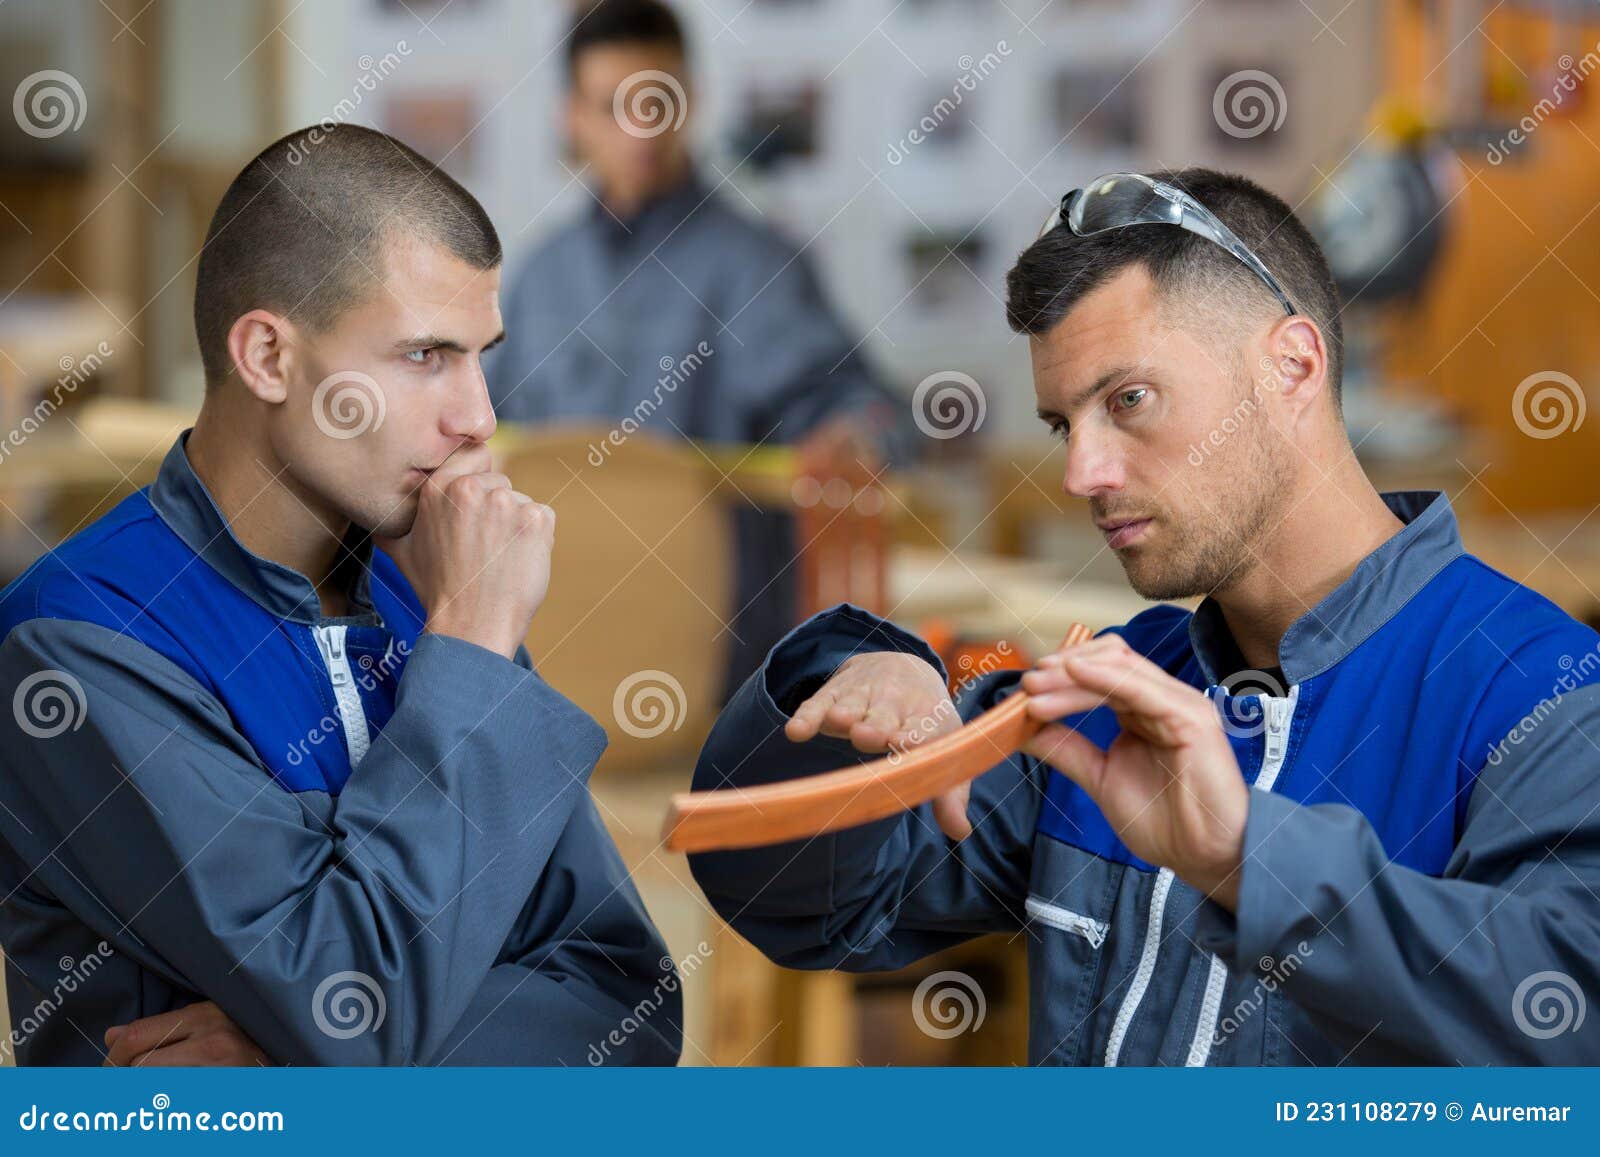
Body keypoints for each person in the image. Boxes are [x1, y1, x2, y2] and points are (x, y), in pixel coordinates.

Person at [686, 168, 1600, 1065]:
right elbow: (791, 898)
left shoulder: (1548, 699)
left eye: (1128, 400)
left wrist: (1251, 862)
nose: (1081, 474)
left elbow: (1569, 1021)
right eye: (1064, 424)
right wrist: (847, 687)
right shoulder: (1106, 707)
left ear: (1293, 365)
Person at [0, 124, 679, 1067]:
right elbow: (351, 1003)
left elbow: (624, 998)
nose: (479, 417)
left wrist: (291, 1064)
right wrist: (472, 647)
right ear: (268, 358)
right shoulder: (75, 643)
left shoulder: (438, 593)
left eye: (480, 355)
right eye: (425, 355)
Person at [486, 0, 913, 697]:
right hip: (551, 661)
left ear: (692, 99)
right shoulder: (538, 275)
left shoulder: (759, 266)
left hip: (721, 677)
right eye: (614, 105)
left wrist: (855, 439)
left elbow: (871, 410)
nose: (641, 129)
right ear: (571, 116)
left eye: (659, 101)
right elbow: (477, 427)